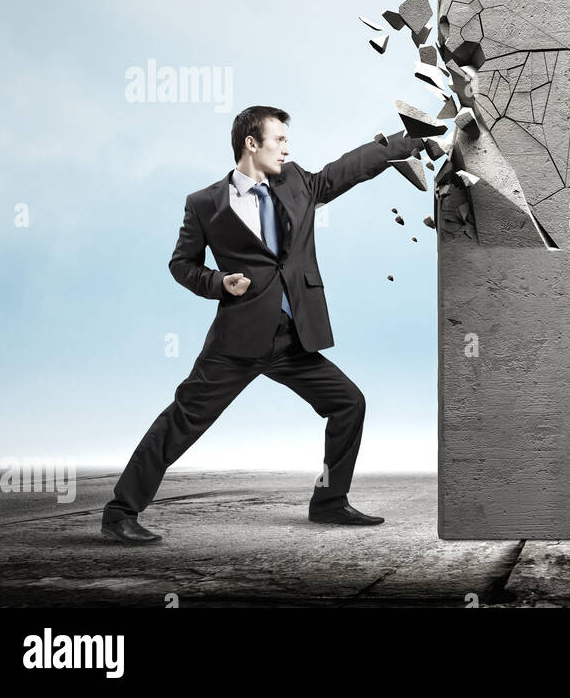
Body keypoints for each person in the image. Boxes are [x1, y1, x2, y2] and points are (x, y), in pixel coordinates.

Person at [100, 105, 417, 543]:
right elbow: (180, 264)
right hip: (238, 339)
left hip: (293, 337)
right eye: (279, 140)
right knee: (182, 420)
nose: (287, 148)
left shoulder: (298, 183)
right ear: (252, 144)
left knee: (348, 403)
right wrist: (217, 282)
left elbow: (346, 170)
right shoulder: (205, 204)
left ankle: (328, 501)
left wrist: (406, 143)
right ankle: (120, 513)